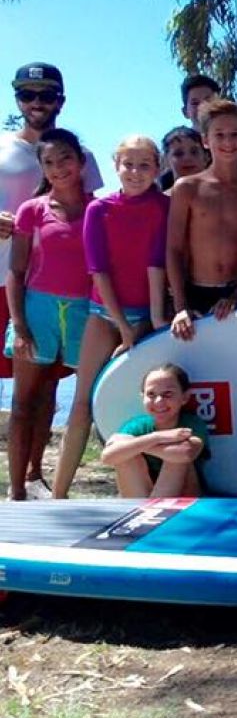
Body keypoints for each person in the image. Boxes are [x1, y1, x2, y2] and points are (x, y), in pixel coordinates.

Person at [0, 64, 103, 498]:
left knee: (47, 386)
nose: (36, 103)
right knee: (21, 391)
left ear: (61, 100)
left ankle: (32, 476)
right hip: (12, 283)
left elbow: (95, 218)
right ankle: (15, 490)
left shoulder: (83, 157)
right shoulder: (3, 147)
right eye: (27, 95)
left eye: (46, 95)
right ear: (17, 99)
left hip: (63, 292)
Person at [53, 135, 169, 498]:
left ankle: (144, 489)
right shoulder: (99, 209)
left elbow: (157, 264)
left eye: (144, 165)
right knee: (81, 404)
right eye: (128, 164)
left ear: (157, 168)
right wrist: (123, 328)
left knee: (149, 403)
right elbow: (98, 271)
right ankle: (58, 493)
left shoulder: (164, 206)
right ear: (115, 166)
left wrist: (150, 323)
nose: (135, 172)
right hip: (104, 314)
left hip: (147, 316)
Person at [168, 98, 237, 340]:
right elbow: (174, 249)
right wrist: (180, 306)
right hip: (194, 295)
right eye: (219, 135)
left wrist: (236, 296)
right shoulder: (187, 188)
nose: (228, 142)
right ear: (205, 140)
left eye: (235, 134)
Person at [100, 363, 208, 498]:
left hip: (185, 497)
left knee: (176, 455)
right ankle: (146, 507)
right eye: (151, 394)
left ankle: (156, 507)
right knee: (125, 457)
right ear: (143, 397)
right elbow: (107, 457)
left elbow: (186, 453)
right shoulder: (137, 426)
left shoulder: (191, 423)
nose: (158, 402)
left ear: (184, 397)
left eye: (167, 394)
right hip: (141, 495)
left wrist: (135, 444)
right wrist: (157, 437)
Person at [157, 74, 237, 187]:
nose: (202, 107)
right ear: (185, 112)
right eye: (195, 103)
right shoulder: (174, 167)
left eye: (208, 101)